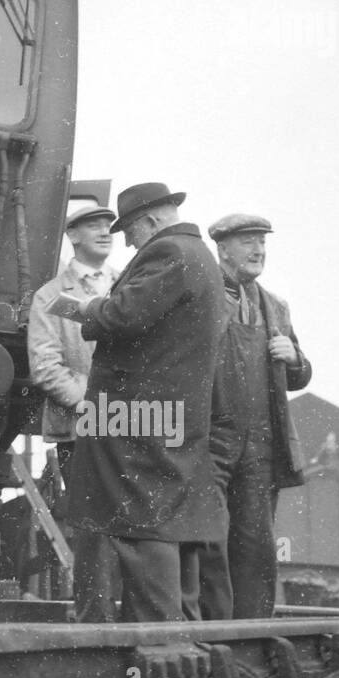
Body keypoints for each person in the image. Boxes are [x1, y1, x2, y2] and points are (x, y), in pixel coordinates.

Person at [50, 182, 226, 622]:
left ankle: (156, 641)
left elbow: (121, 315)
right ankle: (173, 637)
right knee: (164, 521)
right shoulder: (199, 256)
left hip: (135, 414)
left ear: (150, 220)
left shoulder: (169, 253)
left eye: (129, 230)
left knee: (140, 521)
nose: (126, 241)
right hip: (168, 411)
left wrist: (71, 309)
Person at [200, 214, 312, 620]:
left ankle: (251, 633)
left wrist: (295, 358)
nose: (258, 250)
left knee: (256, 545)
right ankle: (210, 632)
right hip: (209, 436)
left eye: (262, 243)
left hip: (261, 442)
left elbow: (300, 374)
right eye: (248, 242)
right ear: (222, 248)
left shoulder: (275, 306)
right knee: (207, 538)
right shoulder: (201, 293)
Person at [26, 201, 122, 619]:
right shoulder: (51, 296)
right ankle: (94, 618)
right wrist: (94, 406)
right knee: (91, 526)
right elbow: (45, 365)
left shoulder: (127, 286)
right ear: (73, 236)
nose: (105, 231)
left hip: (132, 426)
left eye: (108, 225)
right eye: (93, 225)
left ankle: (132, 618)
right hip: (80, 427)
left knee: (135, 523)